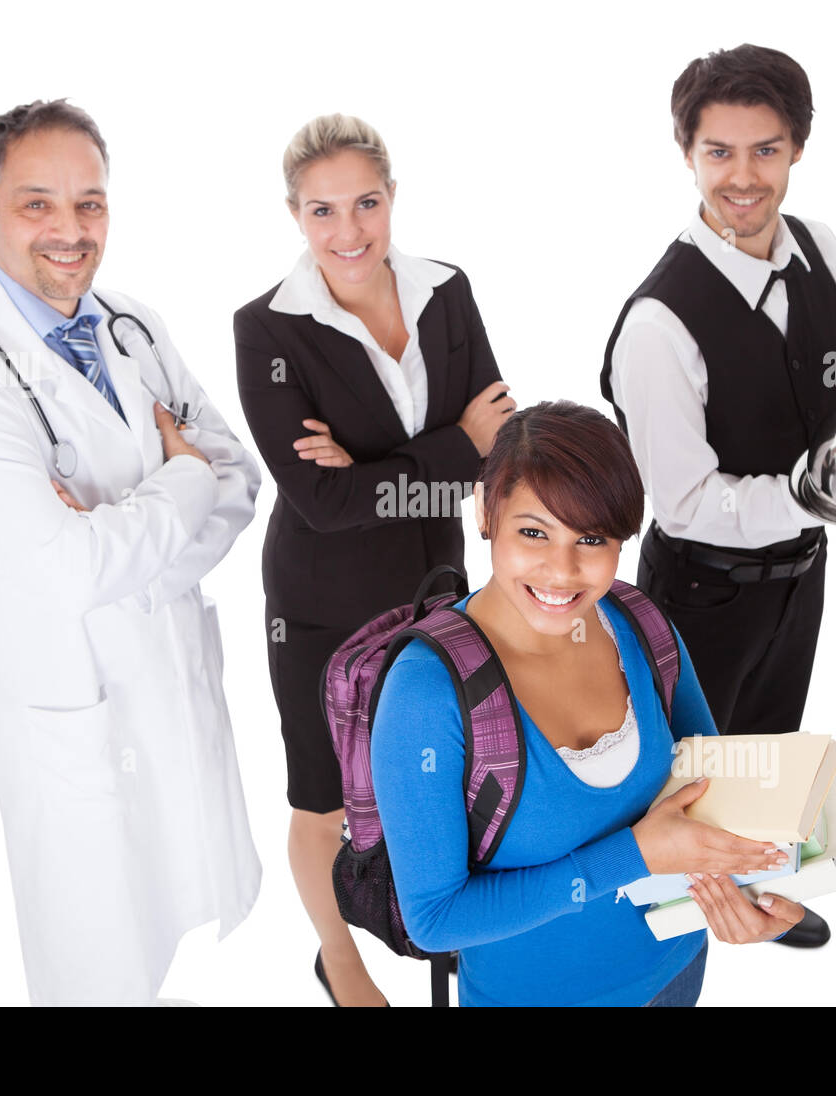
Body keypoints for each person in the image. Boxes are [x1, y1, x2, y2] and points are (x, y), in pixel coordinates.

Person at [0, 100, 262, 1006]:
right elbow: (71, 571)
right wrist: (176, 488)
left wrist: (127, 543)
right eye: (37, 205)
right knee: (94, 961)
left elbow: (242, 478)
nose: (70, 232)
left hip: (166, 683)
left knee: (180, 919)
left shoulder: (132, 325)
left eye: (90, 204)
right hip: (70, 713)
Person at [601, 44, 836, 948]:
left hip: (799, 572)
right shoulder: (659, 322)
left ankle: (755, 884)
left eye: (765, 150)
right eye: (719, 151)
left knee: (765, 748)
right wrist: (825, 494)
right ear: (688, 154)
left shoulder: (816, 247)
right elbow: (683, 504)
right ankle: (660, 929)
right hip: (701, 589)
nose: (743, 176)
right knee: (683, 778)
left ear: (796, 150)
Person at [370, 401, 805, 1007]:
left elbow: (710, 785)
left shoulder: (640, 623)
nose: (563, 570)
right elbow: (436, 918)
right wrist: (633, 856)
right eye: (533, 532)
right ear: (485, 513)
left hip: (675, 972)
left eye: (592, 539)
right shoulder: (426, 693)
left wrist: (751, 891)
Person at [234, 113, 514, 1007]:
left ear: (393, 198)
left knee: (441, 779)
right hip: (323, 600)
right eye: (322, 212)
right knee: (325, 799)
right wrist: (449, 449)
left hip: (435, 585)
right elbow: (322, 502)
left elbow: (500, 436)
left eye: (366, 203)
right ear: (293, 215)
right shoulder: (268, 331)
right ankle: (340, 961)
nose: (348, 231)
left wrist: (384, 469)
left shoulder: (447, 291)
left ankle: (445, 929)